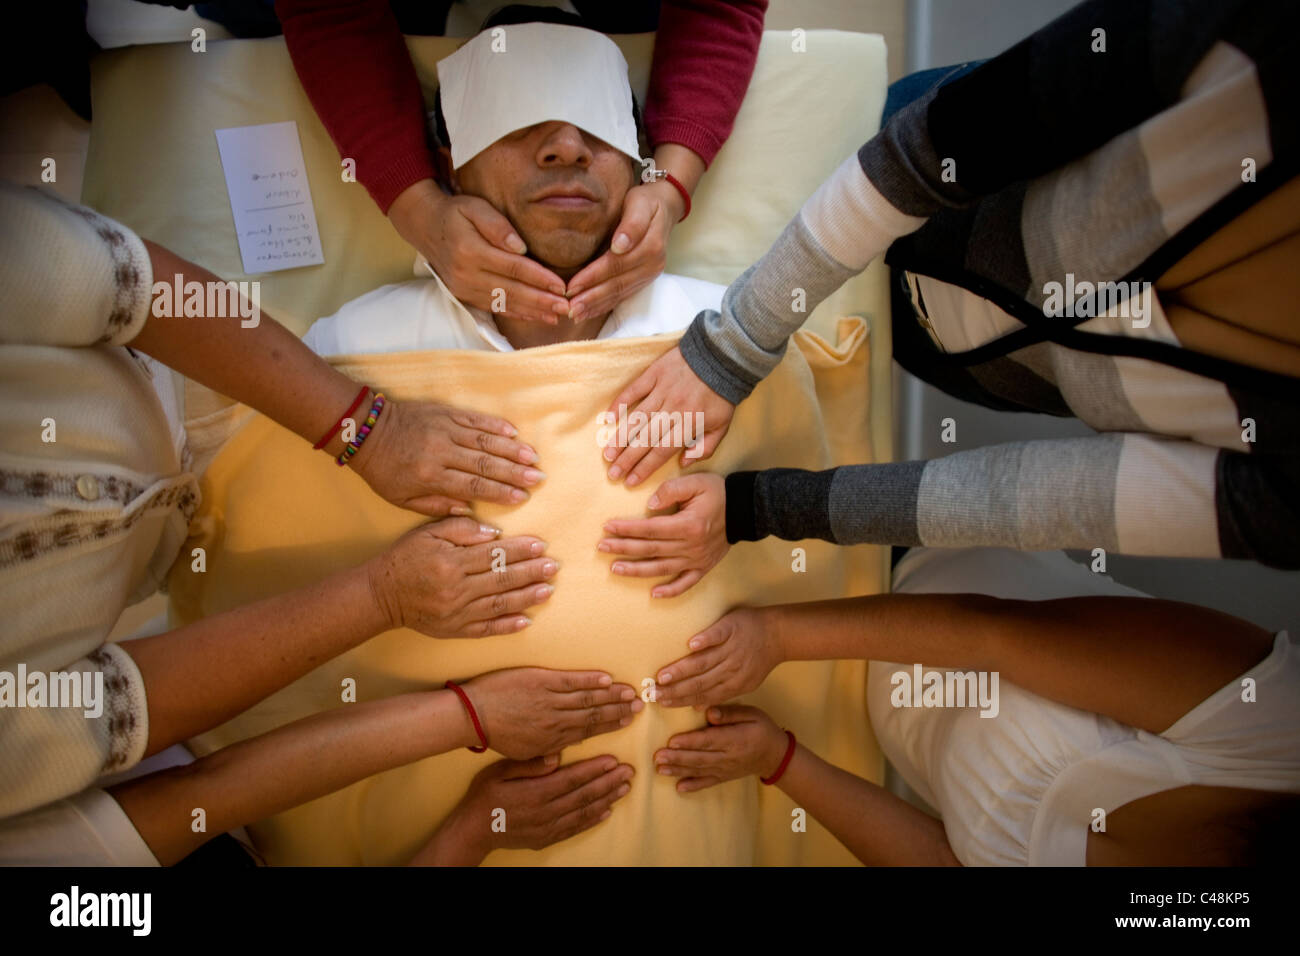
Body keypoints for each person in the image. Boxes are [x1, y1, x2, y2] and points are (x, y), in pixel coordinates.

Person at [599, 0, 1300, 575]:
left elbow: (1019, 499)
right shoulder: (1256, 47)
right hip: (922, 174)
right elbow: (919, 159)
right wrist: (735, 347)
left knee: (900, 346)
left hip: (979, 368)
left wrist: (760, 509)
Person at [0, 179, 588, 825]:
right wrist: (384, 600)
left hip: (208, 360)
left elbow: (131, 284)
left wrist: (369, 431)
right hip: (200, 574)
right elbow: (126, 712)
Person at [647, 547, 1300, 866]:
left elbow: (940, 862)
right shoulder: (1267, 725)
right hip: (897, 553)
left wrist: (779, 759)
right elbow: (994, 635)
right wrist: (779, 637)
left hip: (844, 696)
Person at [278, 1, 765, 328]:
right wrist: (416, 207)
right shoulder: (355, 351)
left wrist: (671, 185)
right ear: (451, 168)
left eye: (598, 124)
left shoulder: (730, 340)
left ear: (641, 156)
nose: (567, 146)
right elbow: (329, 12)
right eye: (516, 124)